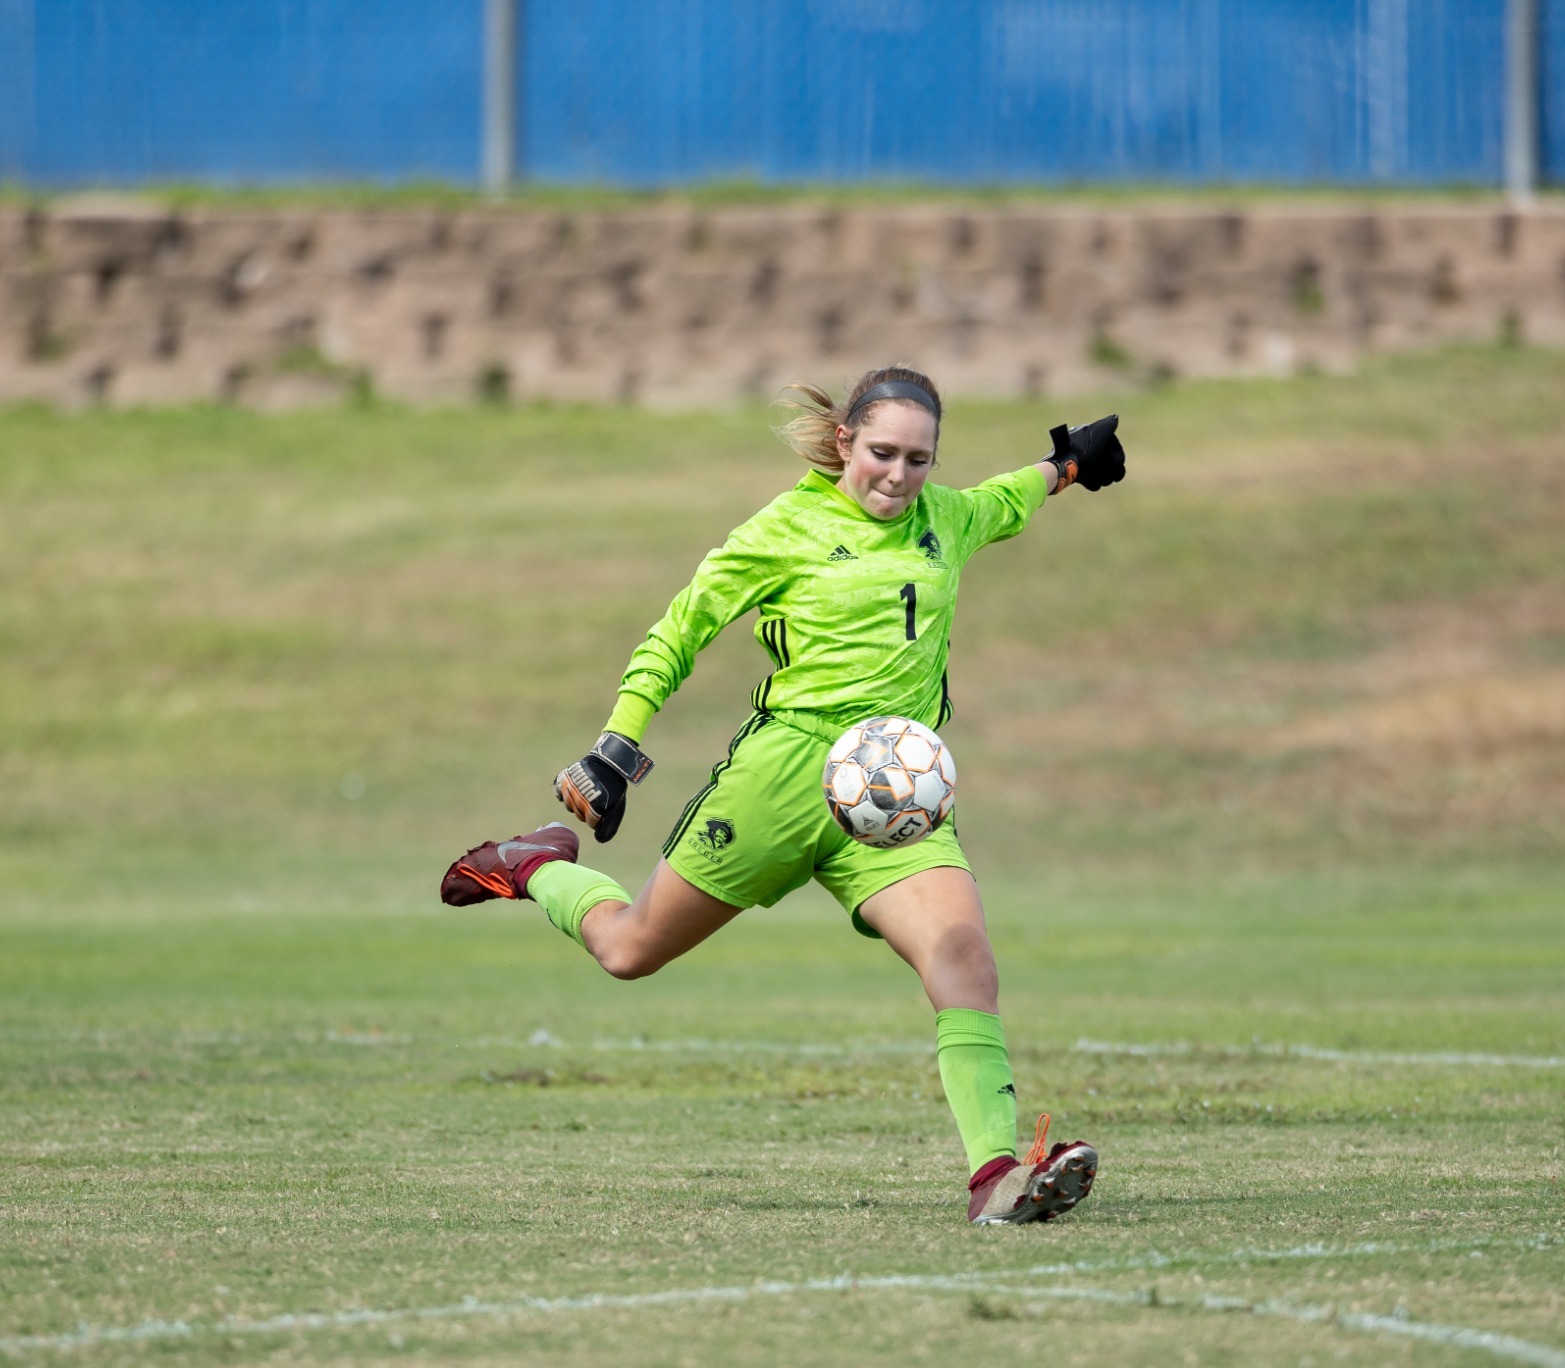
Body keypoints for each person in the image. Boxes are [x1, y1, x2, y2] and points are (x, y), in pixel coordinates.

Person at [441, 367, 1126, 1224]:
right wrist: (616, 747)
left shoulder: (943, 518)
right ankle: (536, 864)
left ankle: (997, 1174)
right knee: (628, 951)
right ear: (845, 441)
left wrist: (1064, 466)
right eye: (882, 452)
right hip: (779, 782)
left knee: (965, 959)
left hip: (896, 805)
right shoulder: (785, 528)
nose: (899, 476)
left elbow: (1004, 498)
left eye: (920, 458)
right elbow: (682, 628)